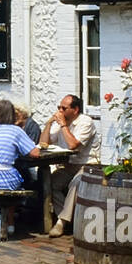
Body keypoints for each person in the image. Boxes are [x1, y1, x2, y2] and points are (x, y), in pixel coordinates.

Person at [0, 100, 43, 234]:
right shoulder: (15, 131)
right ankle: (11, 221)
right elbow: (35, 153)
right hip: (5, 178)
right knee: (18, 179)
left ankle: (6, 219)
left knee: (8, 177)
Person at [41, 94, 101, 236]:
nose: (60, 111)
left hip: (87, 165)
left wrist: (62, 125)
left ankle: (61, 223)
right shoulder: (63, 122)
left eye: (64, 108)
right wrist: (48, 124)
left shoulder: (86, 122)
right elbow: (43, 144)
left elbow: (73, 145)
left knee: (75, 183)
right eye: (59, 107)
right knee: (50, 182)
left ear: (75, 110)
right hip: (68, 166)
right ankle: (71, 220)